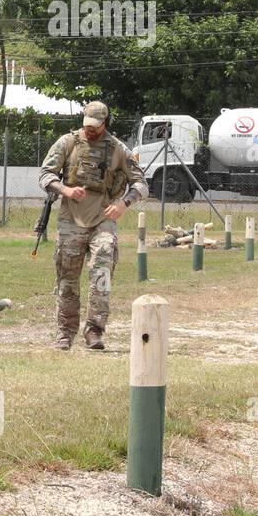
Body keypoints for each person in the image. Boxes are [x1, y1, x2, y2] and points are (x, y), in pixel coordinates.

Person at [37, 101, 147, 350]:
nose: (90, 130)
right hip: (71, 219)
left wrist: (123, 204)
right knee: (67, 277)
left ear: (105, 124)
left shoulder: (118, 149)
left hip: (103, 219)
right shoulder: (68, 142)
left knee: (102, 272)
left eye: (95, 127)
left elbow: (141, 184)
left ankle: (94, 330)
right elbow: (45, 174)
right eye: (87, 125)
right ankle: (65, 333)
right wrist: (65, 190)